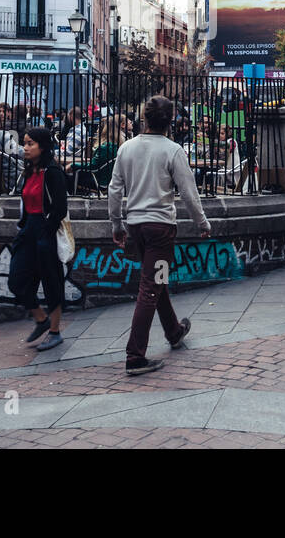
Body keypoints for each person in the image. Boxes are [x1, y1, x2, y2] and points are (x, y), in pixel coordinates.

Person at [108, 95, 209, 376]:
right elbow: (189, 192)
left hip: (136, 227)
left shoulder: (126, 148)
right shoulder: (173, 150)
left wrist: (116, 224)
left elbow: (114, 190)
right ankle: (135, 355)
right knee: (150, 288)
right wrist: (202, 222)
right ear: (171, 120)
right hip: (161, 230)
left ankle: (174, 332)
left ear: (144, 117)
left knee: (157, 280)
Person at [7, 127, 69, 352]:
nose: (25, 147)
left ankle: (55, 331)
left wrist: (47, 232)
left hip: (45, 231)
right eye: (24, 143)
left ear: (42, 147)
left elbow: (60, 208)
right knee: (16, 281)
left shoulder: (52, 172)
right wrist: (24, 227)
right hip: (28, 231)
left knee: (52, 282)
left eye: (30, 143)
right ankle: (41, 319)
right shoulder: (30, 171)